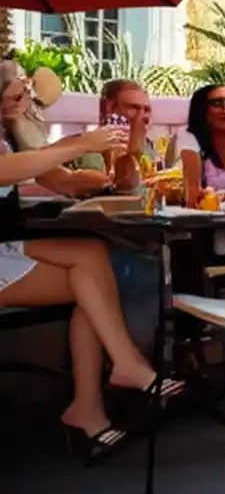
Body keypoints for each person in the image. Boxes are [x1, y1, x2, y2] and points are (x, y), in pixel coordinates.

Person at [0, 113, 183, 462]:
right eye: (17, 92)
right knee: (92, 274)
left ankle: (91, 402)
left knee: (93, 261)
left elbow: (57, 177)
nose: (27, 98)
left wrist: (96, 167)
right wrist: (83, 144)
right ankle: (120, 372)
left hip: (8, 246)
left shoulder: (11, 133)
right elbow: (7, 170)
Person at [0, 60, 112, 198]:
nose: (26, 99)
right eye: (17, 97)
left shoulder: (16, 127)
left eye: (27, 91)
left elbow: (54, 178)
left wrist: (106, 182)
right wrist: (80, 145)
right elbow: (5, 169)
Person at [77, 79, 157, 192]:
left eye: (147, 110)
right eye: (133, 108)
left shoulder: (150, 149)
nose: (143, 117)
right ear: (108, 107)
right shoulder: (84, 151)